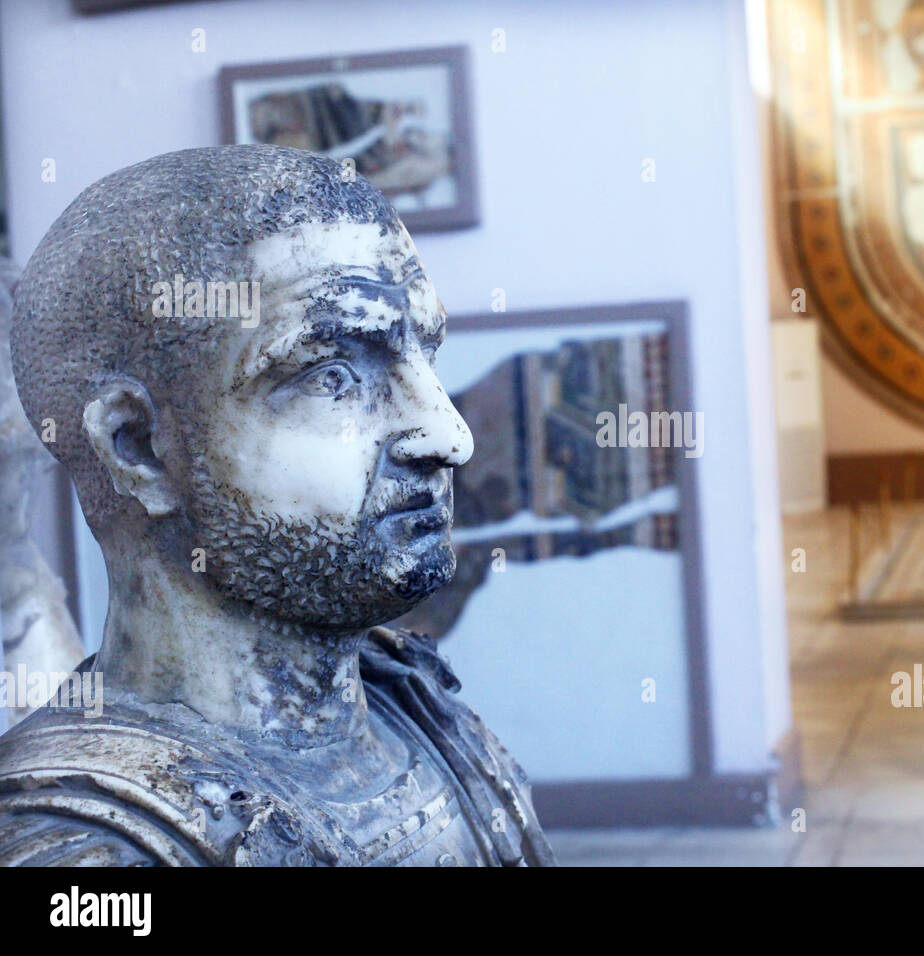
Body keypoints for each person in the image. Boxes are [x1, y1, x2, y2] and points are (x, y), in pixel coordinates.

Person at [0, 145, 555, 866]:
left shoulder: (433, 726)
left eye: (428, 355)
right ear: (138, 446)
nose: (449, 435)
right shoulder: (78, 854)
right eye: (332, 376)